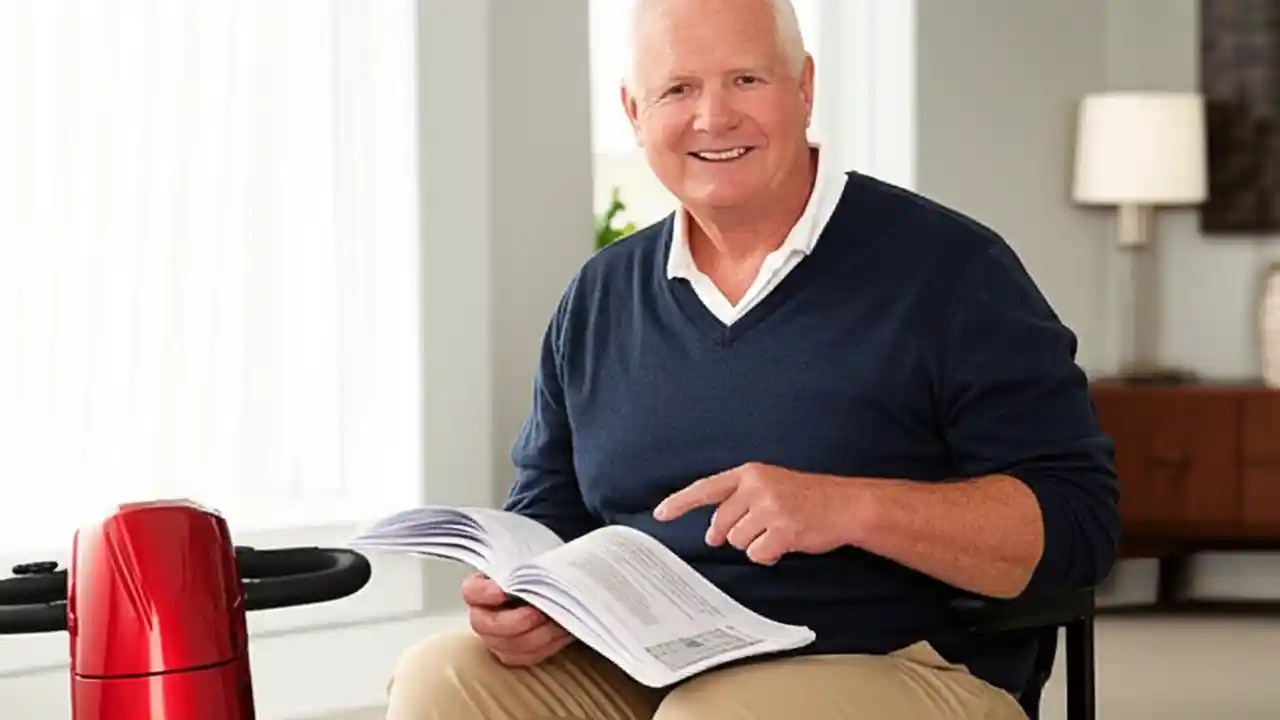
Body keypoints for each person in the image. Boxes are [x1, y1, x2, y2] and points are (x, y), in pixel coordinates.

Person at [385, 0, 1120, 717]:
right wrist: (524, 598)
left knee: (719, 713)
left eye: (746, 80)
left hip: (901, 663)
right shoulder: (600, 294)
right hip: (647, 664)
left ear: (803, 87)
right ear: (634, 112)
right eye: (677, 88)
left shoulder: (953, 272)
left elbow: (1079, 525)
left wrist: (850, 506)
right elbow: (550, 512)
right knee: (443, 676)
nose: (713, 117)